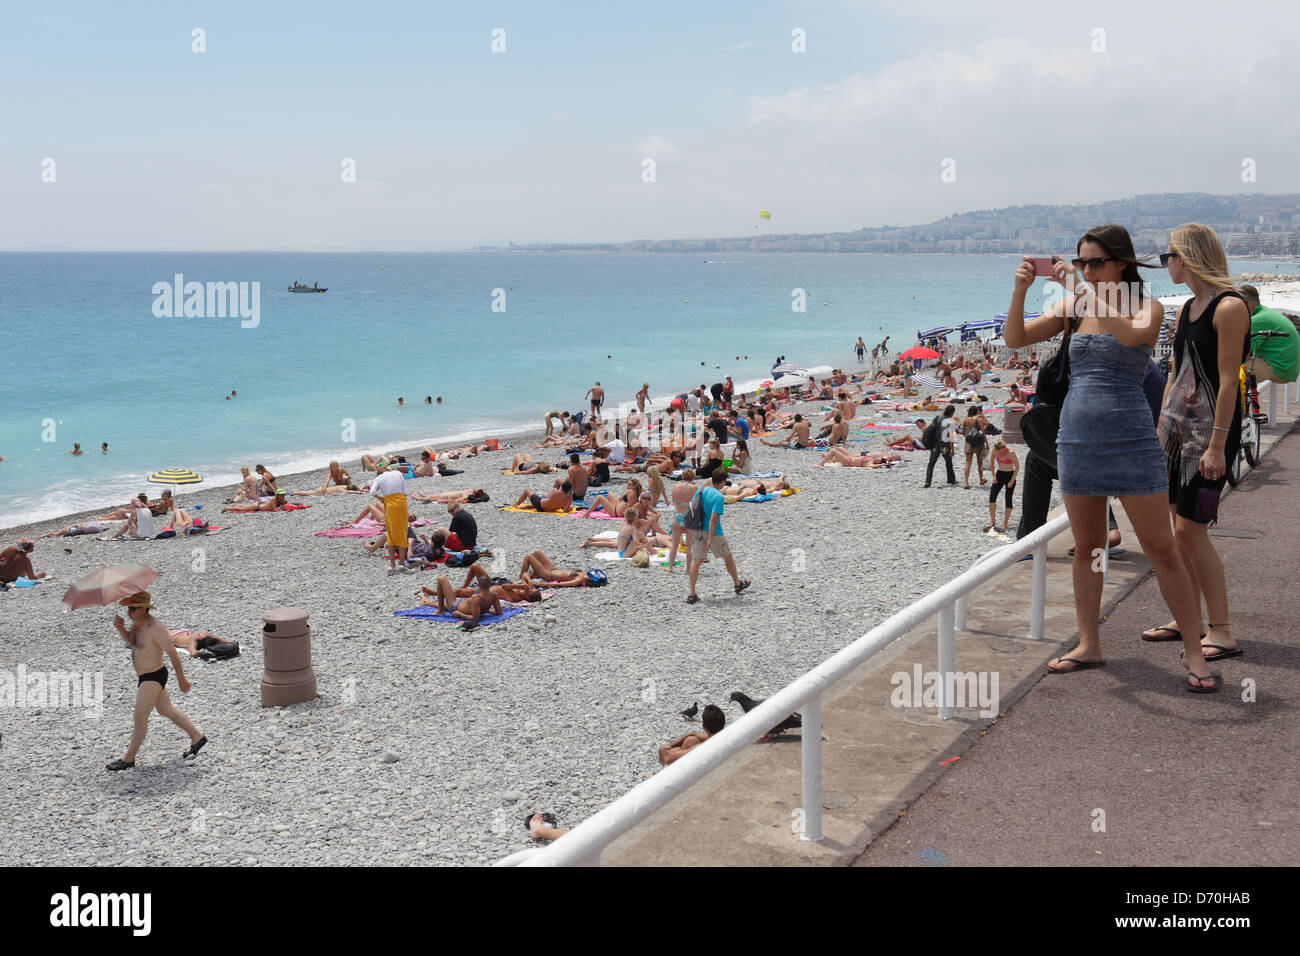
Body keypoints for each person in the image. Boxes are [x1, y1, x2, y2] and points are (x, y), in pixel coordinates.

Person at [1005, 224, 1214, 692]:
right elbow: (1015, 338)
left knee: (1162, 548)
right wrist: (1020, 291)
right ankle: (1089, 643)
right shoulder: (1075, 306)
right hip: (1077, 438)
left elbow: (1132, 339)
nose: (1086, 270)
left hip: (1132, 438)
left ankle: (1195, 650)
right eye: (1080, 262)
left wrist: (1082, 290)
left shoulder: (1147, 307)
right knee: (1089, 549)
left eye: (1095, 262)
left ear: (1121, 262)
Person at [1141, 224, 1251, 663]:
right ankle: (1186, 617)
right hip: (1175, 429)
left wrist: (1218, 446)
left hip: (1209, 433)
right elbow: (1174, 371)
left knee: (1191, 530)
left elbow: (1229, 382)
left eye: (1169, 255)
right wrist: (1159, 428)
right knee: (1176, 531)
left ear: (1187, 257)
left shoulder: (1228, 307)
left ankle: (1221, 629)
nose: (1165, 262)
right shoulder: (1188, 307)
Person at [106, 592, 206, 771]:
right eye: (128, 608)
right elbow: (132, 641)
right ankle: (198, 737)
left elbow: (173, 653)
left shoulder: (155, 627)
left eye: (132, 608)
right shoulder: (137, 624)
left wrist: (181, 679)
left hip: (153, 676)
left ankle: (128, 758)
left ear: (144, 609)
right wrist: (121, 629)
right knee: (166, 710)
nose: (129, 612)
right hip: (145, 677)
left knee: (139, 717)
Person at [686, 470, 751, 604]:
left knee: (696, 560)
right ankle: (737, 583)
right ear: (722, 482)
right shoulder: (718, 497)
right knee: (727, 557)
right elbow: (713, 519)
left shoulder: (702, 491)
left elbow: (692, 507)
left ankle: (692, 593)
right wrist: (710, 538)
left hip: (697, 529)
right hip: (714, 533)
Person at [1239, 284, 1299, 384]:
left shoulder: (1256, 320)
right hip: (1289, 369)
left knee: (1229, 373)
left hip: (1279, 369)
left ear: (1245, 303)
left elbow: (1245, 353)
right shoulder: (1266, 313)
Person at [370, 465, 409, 573]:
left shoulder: (379, 478)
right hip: (401, 503)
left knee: (391, 534)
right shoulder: (397, 473)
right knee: (402, 533)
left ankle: (392, 566)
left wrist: (381, 498)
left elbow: (372, 492)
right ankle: (401, 563)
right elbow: (405, 492)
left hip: (390, 505)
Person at [658, 705, 726, 766]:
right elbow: (693, 734)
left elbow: (668, 758)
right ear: (724, 723)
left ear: (703, 726)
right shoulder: (721, 736)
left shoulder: (700, 748)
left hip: (701, 771)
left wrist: (663, 748)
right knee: (691, 739)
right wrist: (671, 745)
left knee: (676, 749)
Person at [984, 440, 1019, 532]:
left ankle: (1005, 522)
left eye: (1000, 451)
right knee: (992, 497)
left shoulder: (1011, 452)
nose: (998, 453)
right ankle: (992, 520)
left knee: (1008, 498)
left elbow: (1017, 467)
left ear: (1004, 448)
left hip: (1009, 475)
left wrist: (1012, 480)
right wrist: (993, 476)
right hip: (999, 474)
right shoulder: (995, 450)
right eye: (997, 450)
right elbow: (991, 463)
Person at [923, 405, 957, 488]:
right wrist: (952, 449)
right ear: (952, 413)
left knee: (931, 463)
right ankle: (951, 479)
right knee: (948, 462)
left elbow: (931, 429)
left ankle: (927, 481)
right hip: (944, 444)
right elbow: (951, 436)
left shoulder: (937, 418)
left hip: (935, 444)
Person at [962, 406, 988, 487]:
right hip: (978, 443)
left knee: (968, 463)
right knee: (980, 462)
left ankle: (966, 482)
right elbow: (983, 433)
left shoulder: (965, 420)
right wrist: (987, 443)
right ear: (976, 411)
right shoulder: (978, 419)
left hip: (969, 443)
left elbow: (963, 433)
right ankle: (981, 479)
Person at [222, 490, 289, 513]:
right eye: (281, 495)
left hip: (260, 504)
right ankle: (226, 508)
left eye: (283, 494)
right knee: (241, 509)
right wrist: (282, 508)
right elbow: (275, 509)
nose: (283, 496)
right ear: (277, 495)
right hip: (257, 507)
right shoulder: (274, 500)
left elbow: (286, 505)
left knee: (245, 506)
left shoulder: (283, 500)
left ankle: (235, 506)